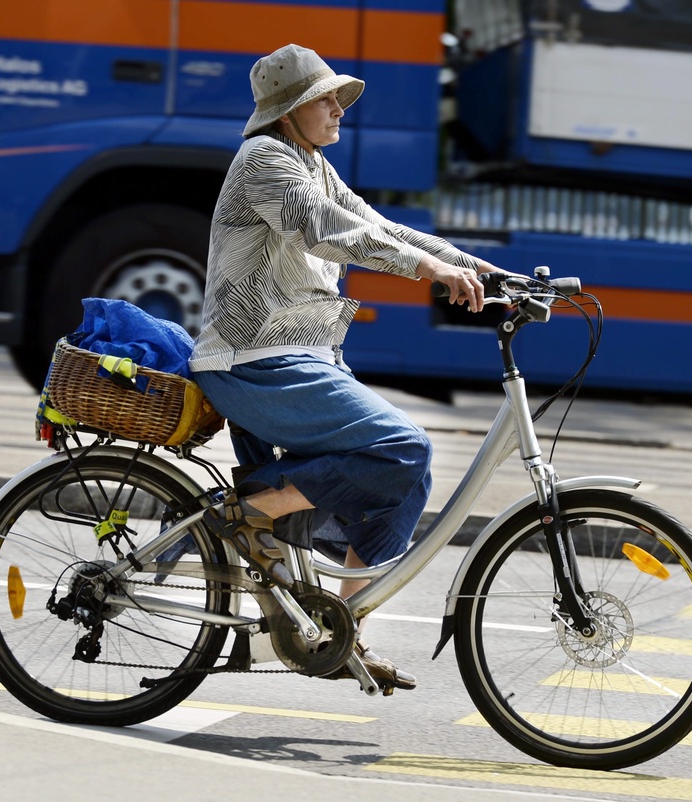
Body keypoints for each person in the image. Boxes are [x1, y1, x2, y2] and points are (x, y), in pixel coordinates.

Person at [189, 43, 504, 691]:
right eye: (324, 98)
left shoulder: (309, 162)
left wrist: (483, 270)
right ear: (288, 111)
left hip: (301, 358)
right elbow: (326, 229)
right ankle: (258, 511)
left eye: (335, 97)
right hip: (253, 358)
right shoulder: (264, 162)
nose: (338, 108)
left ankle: (340, 636)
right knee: (403, 447)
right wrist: (430, 272)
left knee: (400, 484)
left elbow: (383, 227)